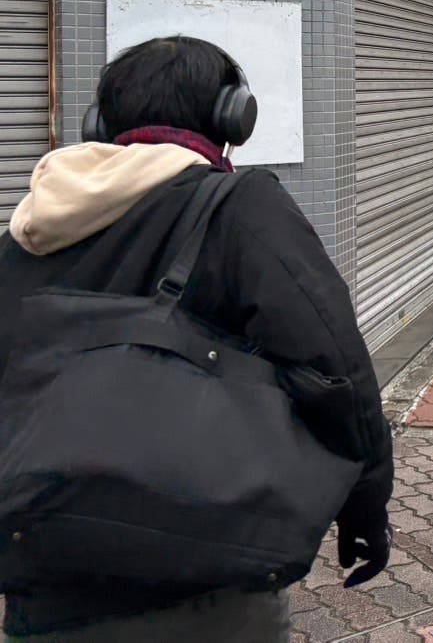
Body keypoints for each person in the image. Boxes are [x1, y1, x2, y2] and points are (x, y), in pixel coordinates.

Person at [0, 37, 393, 642]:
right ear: (233, 116)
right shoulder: (241, 208)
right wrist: (364, 502)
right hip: (205, 575)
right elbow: (334, 366)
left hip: (51, 582)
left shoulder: (27, 233)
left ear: (100, 124)